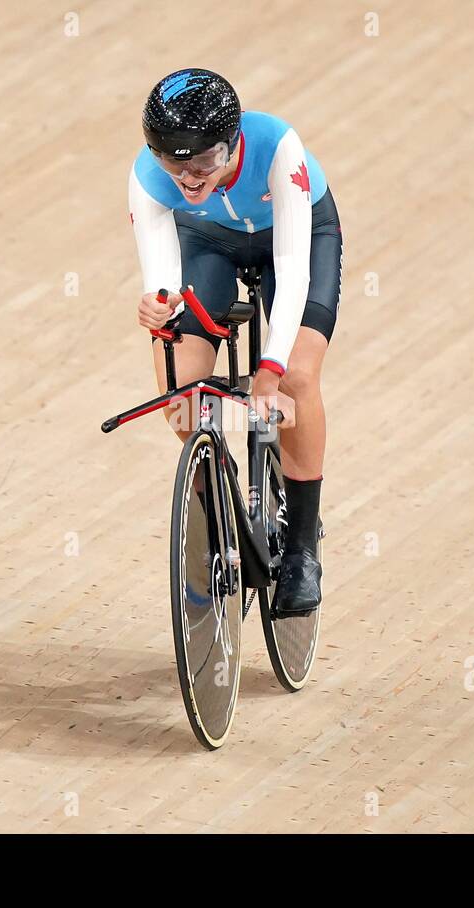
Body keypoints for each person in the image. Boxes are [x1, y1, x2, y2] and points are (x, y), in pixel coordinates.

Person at [128, 67, 341, 617]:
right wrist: (158, 301)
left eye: (202, 161)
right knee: (179, 384)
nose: (188, 176)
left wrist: (269, 370)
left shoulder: (277, 148)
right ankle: (217, 495)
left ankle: (300, 549)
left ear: (234, 143)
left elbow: (293, 272)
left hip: (294, 241)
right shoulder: (149, 175)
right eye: (174, 163)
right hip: (209, 242)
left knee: (295, 376)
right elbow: (162, 274)